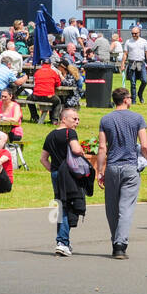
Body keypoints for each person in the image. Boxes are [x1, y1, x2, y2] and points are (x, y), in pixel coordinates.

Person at [96, 86, 147, 259]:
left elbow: (102, 147)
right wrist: (145, 158)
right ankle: (120, 244)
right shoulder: (137, 118)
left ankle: (115, 240)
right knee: (126, 207)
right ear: (125, 99)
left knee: (111, 206)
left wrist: (99, 170)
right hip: (130, 166)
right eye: (130, 98)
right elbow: (145, 144)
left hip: (112, 165)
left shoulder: (106, 119)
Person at [40, 106, 91, 256]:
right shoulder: (70, 133)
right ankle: (62, 241)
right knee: (70, 205)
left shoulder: (50, 135)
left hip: (56, 173)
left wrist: (55, 171)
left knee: (61, 205)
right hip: (69, 174)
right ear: (64, 119)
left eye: (78, 119)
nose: (77, 122)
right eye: (74, 119)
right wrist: (82, 152)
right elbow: (75, 150)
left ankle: (63, 242)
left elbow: (43, 159)